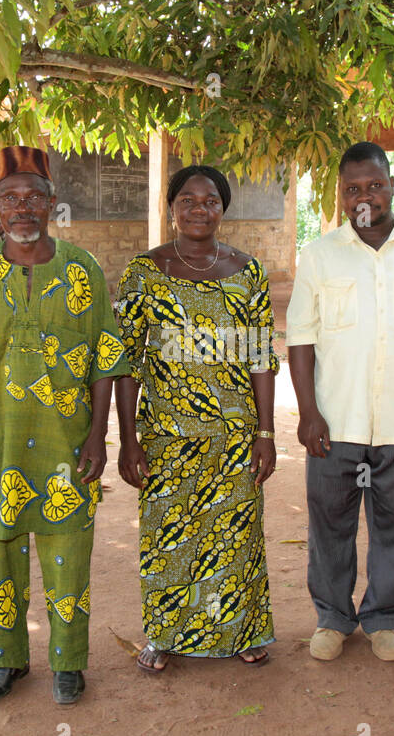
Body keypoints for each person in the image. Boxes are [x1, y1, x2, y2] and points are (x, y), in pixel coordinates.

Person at [0, 145, 129, 705]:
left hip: (68, 443)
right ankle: (5, 660)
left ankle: (68, 663)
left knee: (69, 554)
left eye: (34, 197)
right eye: (10, 199)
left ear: (51, 205)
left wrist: (99, 435)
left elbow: (106, 358)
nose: (23, 208)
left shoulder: (82, 269)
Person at [286, 142, 394, 663]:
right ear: (341, 194)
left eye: (374, 185)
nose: (365, 196)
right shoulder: (319, 256)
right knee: (329, 523)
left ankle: (385, 617)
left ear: (393, 186)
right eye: (353, 188)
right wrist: (308, 413)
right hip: (335, 421)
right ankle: (333, 619)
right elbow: (300, 339)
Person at [114, 165, 278, 673]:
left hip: (234, 433)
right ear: (172, 207)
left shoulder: (247, 272)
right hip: (166, 434)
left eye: (210, 201)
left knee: (235, 535)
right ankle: (164, 635)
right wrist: (127, 440)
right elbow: (125, 360)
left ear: (222, 209)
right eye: (188, 199)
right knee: (168, 537)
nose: (199, 209)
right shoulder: (143, 272)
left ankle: (243, 631)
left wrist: (266, 433)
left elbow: (260, 357)